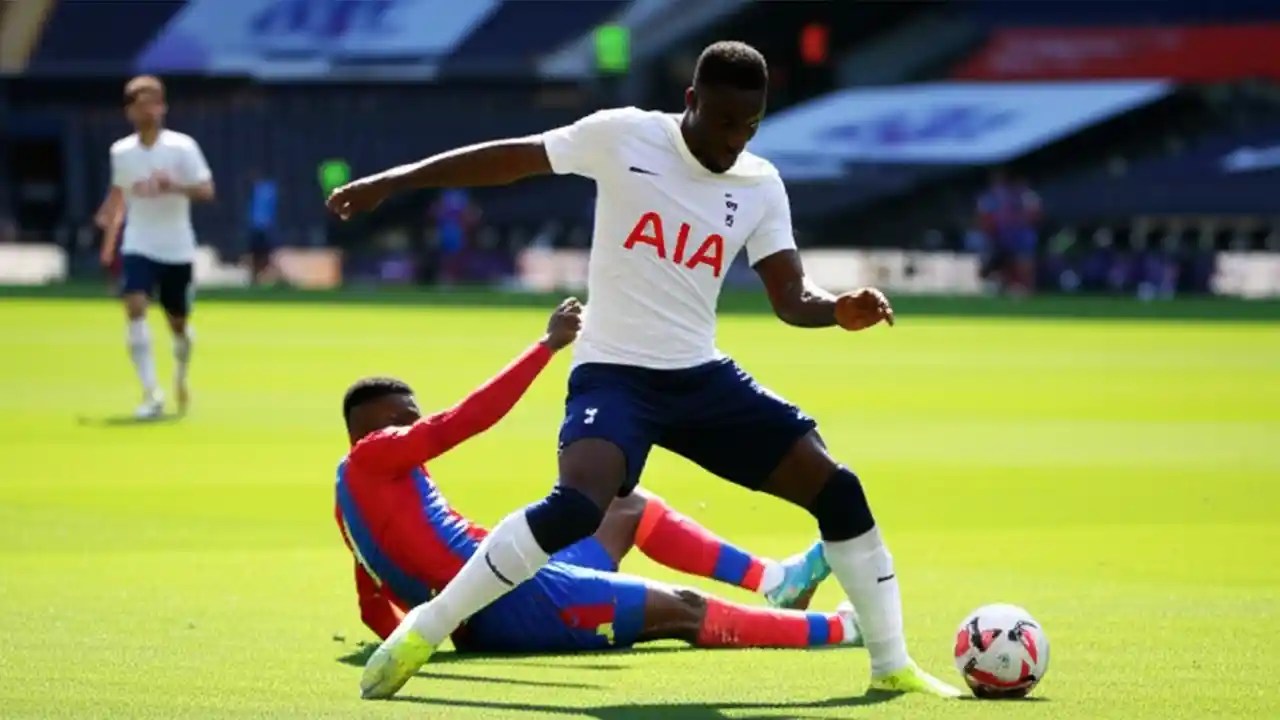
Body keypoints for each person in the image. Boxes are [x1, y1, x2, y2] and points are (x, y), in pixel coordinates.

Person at [327, 41, 959, 700]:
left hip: (698, 376)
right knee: (576, 506)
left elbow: (791, 298)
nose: (733, 141)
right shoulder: (624, 136)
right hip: (614, 373)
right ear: (690, 101)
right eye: (722, 124)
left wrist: (839, 310)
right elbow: (512, 160)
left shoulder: (760, 184)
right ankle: (425, 631)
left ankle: (891, 664)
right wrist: (392, 182)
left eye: (749, 127)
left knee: (839, 490)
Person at [339, 299, 851, 657]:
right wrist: (546, 347)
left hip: (501, 588)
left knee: (625, 504)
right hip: (519, 605)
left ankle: (774, 582)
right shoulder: (377, 453)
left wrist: (416, 640)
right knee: (685, 611)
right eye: (403, 419)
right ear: (368, 429)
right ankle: (840, 630)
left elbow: (371, 602)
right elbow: (464, 421)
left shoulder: (349, 502)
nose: (414, 427)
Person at [95, 75, 215, 419]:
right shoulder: (121, 152)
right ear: (130, 111)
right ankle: (151, 393)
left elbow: (206, 190)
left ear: (162, 107)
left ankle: (180, 373)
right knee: (134, 305)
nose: (147, 110)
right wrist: (108, 239)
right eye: (139, 103)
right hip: (139, 242)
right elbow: (119, 194)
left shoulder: (182, 147)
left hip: (176, 246)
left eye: (152, 102)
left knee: (177, 322)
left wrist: (173, 185)